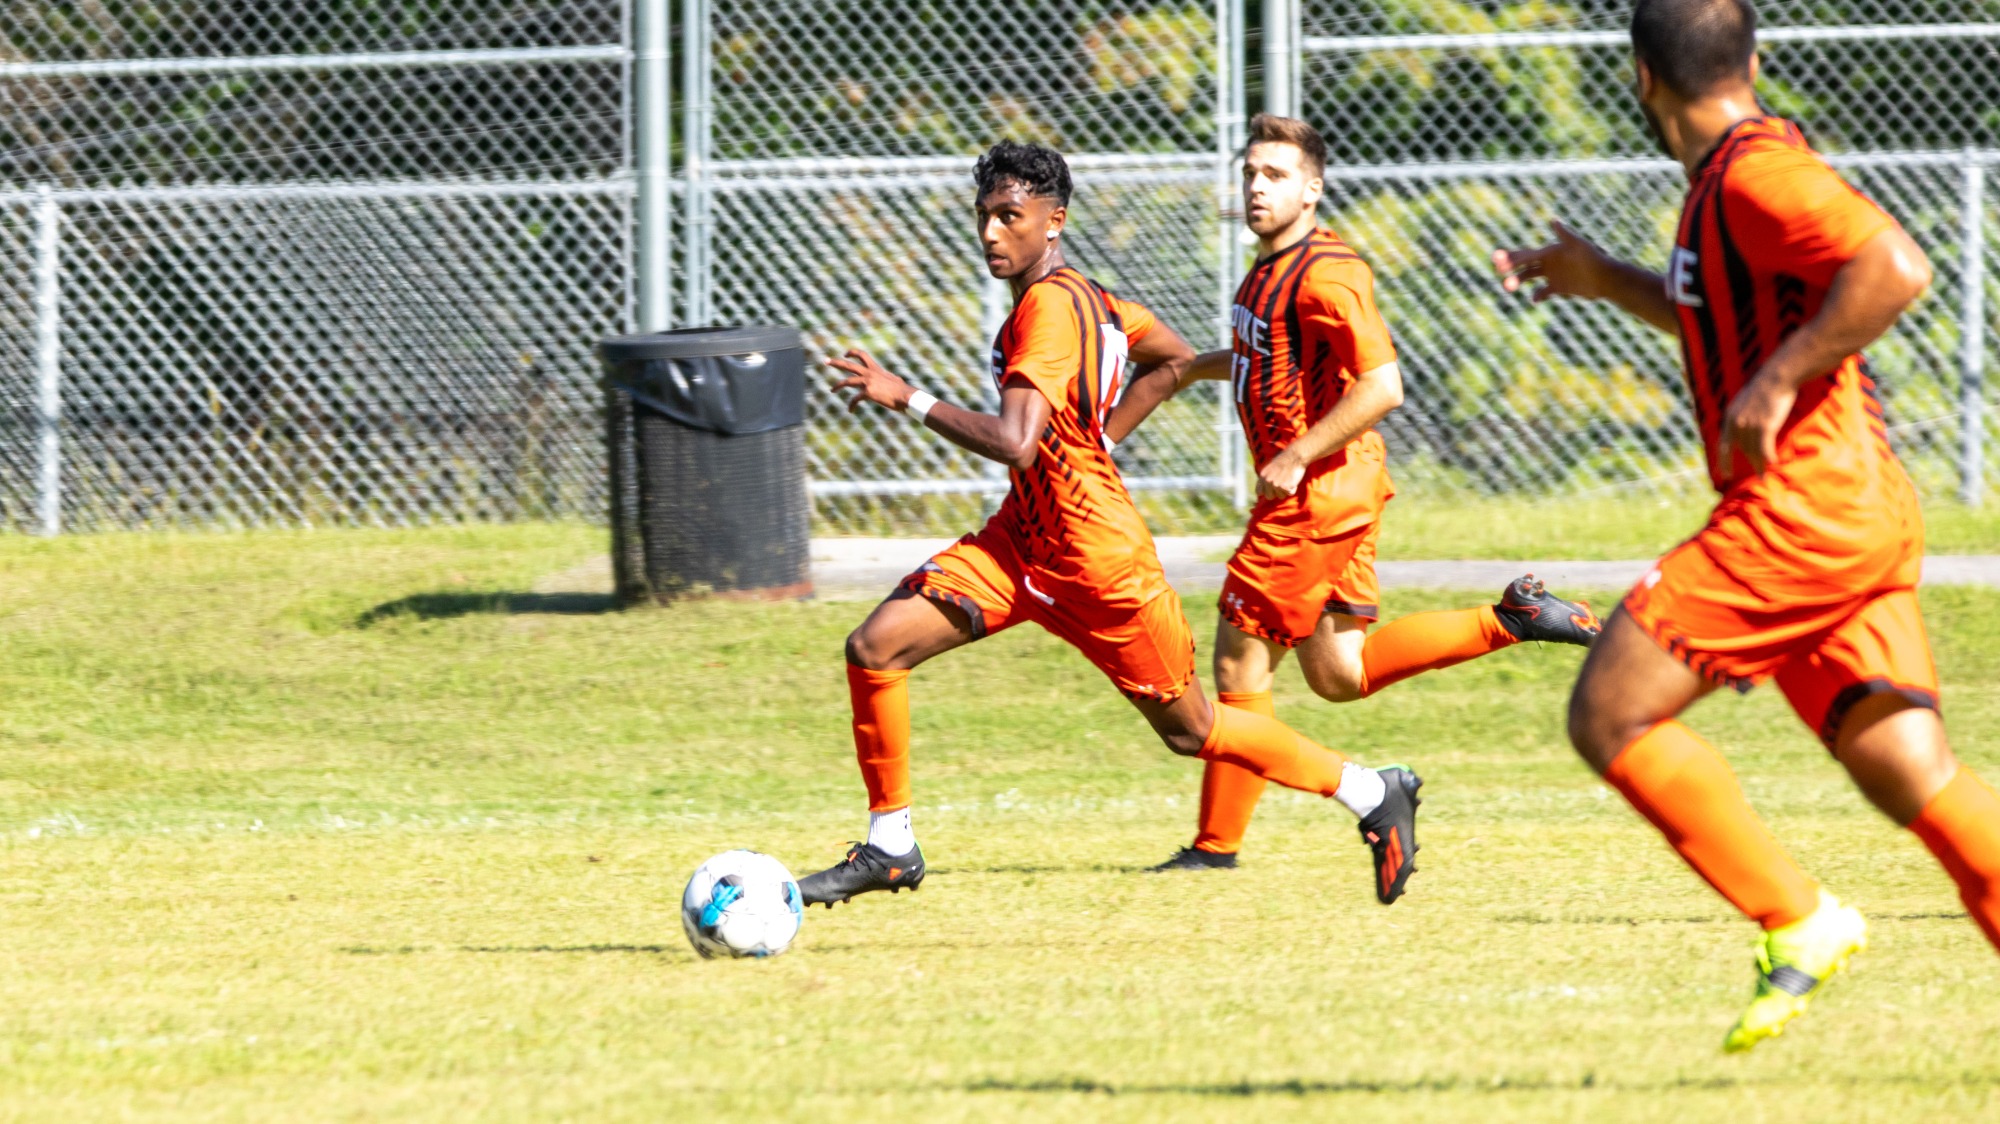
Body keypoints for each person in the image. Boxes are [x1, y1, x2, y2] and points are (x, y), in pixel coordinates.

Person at [1492, 0, 2000, 1052]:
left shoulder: (1753, 174)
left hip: (1801, 511)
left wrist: (1773, 383)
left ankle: (1798, 916)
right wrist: (1600, 280)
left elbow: (1892, 266)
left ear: (1640, 78)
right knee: (1910, 770)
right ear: (1752, 60)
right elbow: (1721, 310)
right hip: (1850, 512)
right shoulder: (1721, 184)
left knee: (1610, 712)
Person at [800, 140, 1422, 909]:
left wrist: (909, 399)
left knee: (1193, 729)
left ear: (1053, 222)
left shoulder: (1052, 309)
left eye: (1010, 217)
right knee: (876, 647)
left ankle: (1370, 790)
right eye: (984, 217)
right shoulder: (1096, 300)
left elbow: (1016, 441)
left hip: (1099, 561)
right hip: (1022, 540)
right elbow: (1167, 361)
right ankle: (890, 847)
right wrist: (1105, 432)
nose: (992, 233)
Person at [1148, 114, 1601, 874]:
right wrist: (1191, 370)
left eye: (1277, 175)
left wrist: (1296, 453)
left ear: (1313, 189)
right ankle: (1511, 619)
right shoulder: (1266, 270)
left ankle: (1215, 849)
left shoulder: (1329, 270)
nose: (1258, 187)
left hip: (1314, 496)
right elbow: (1271, 354)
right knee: (1339, 673)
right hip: (1338, 489)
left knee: (1236, 673)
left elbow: (1382, 385)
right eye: (1251, 173)